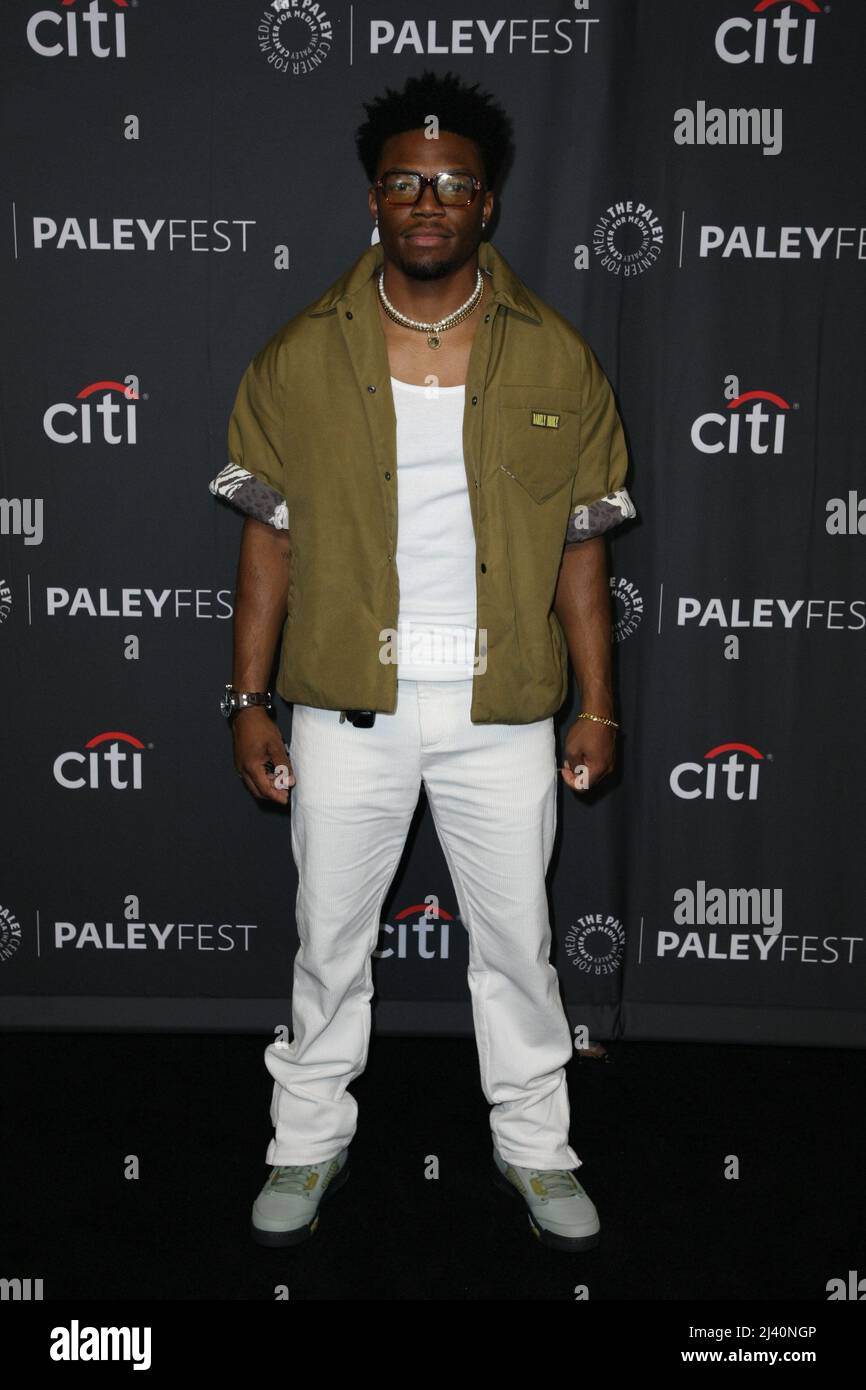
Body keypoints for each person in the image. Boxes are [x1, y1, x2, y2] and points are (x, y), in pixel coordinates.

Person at [209, 69, 637, 1254]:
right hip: (346, 709)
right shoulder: (298, 356)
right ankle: (305, 1141)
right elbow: (267, 541)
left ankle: (535, 1148)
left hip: (502, 715)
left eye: (452, 184)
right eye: (405, 181)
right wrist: (248, 698)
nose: (428, 201)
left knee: (515, 948)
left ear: (487, 204)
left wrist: (597, 706)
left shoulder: (556, 358)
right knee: (328, 942)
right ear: (373, 200)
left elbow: (579, 558)